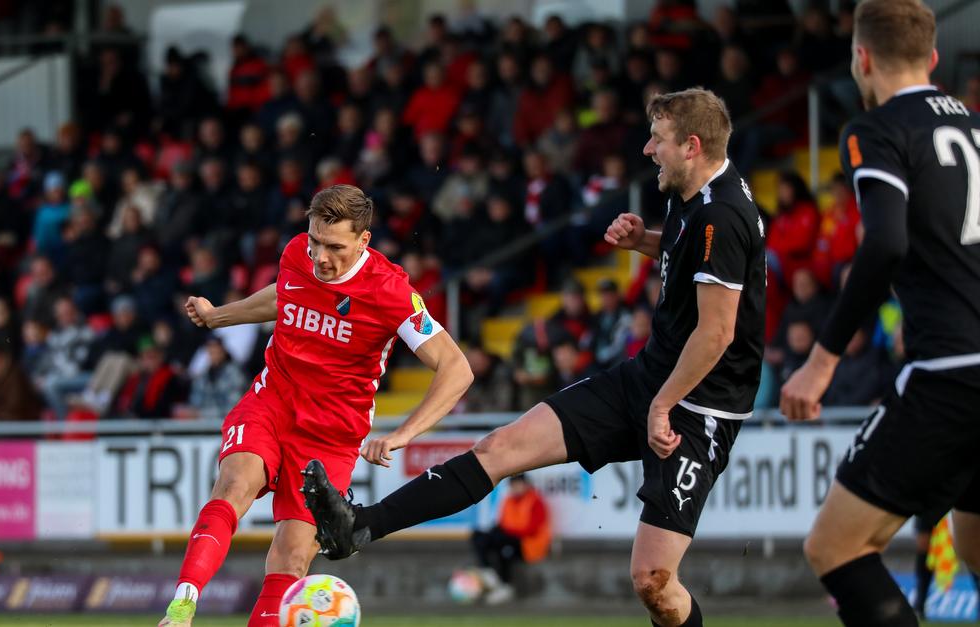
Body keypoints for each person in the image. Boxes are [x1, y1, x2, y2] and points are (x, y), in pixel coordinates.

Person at [305, 88, 765, 627]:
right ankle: (356, 527)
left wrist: (663, 407)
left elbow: (716, 334)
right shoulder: (693, 194)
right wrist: (647, 242)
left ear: (691, 145)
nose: (646, 149)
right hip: (650, 378)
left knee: (653, 584)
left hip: (698, 406)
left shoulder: (725, 215)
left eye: (656, 140)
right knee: (500, 447)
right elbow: (690, 253)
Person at [159, 185, 473, 627]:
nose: (321, 258)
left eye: (335, 247)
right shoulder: (296, 255)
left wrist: (405, 433)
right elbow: (283, 294)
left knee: (290, 557)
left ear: (364, 241)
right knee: (234, 484)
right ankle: (182, 606)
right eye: (314, 242)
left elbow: (456, 368)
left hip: (332, 435)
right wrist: (219, 316)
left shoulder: (390, 292)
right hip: (272, 402)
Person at [778, 2, 980, 625]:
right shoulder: (974, 128)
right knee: (974, 545)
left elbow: (886, 242)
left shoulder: (878, 129)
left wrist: (822, 359)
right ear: (934, 58)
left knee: (835, 547)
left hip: (950, 370)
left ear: (861, 59)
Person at [470, 473, 551, 605]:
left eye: (518, 485)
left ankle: (505, 587)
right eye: (512, 485)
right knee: (479, 537)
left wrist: (506, 531)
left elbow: (531, 530)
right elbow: (503, 523)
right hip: (509, 538)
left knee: (505, 550)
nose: (515, 488)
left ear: (526, 485)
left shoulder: (536, 501)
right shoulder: (508, 500)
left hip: (528, 545)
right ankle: (488, 572)